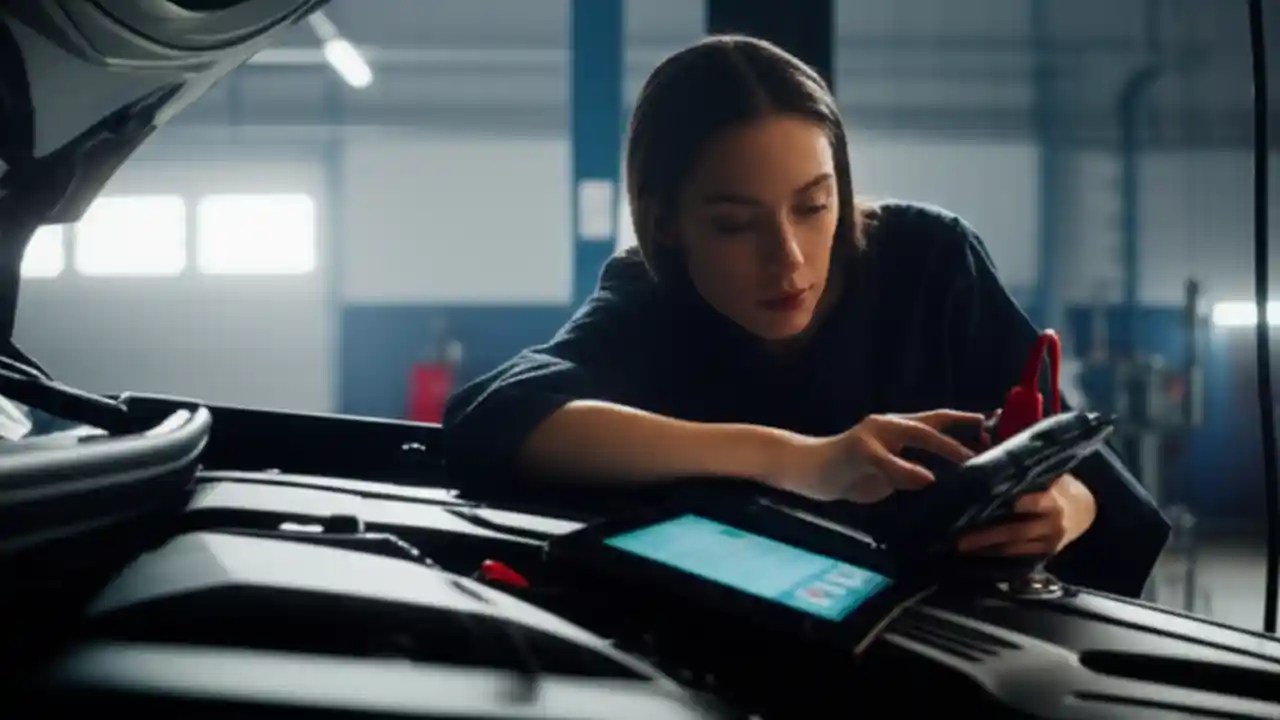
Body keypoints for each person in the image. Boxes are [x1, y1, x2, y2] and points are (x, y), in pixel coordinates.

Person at [444, 35, 1170, 598]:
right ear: (667, 223)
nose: (787, 259)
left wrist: (1063, 509)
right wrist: (804, 460)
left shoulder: (930, 261)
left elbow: (1081, 476)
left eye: (814, 204)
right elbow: (495, 416)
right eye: (735, 224)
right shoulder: (652, 298)